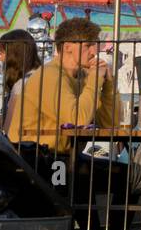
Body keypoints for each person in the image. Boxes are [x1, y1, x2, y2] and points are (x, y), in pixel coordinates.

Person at [10, 17, 115, 155]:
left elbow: (109, 124)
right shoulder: (49, 75)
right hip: (32, 158)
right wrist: (94, 80)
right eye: (88, 45)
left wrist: (108, 85)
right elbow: (78, 120)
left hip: (59, 157)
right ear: (67, 47)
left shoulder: (82, 76)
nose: (94, 52)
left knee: (124, 168)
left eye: (95, 45)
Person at [0, 29, 41, 134]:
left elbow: (9, 127)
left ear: (14, 56)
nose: (1, 59)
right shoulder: (40, 76)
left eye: (3, 53)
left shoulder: (22, 85)